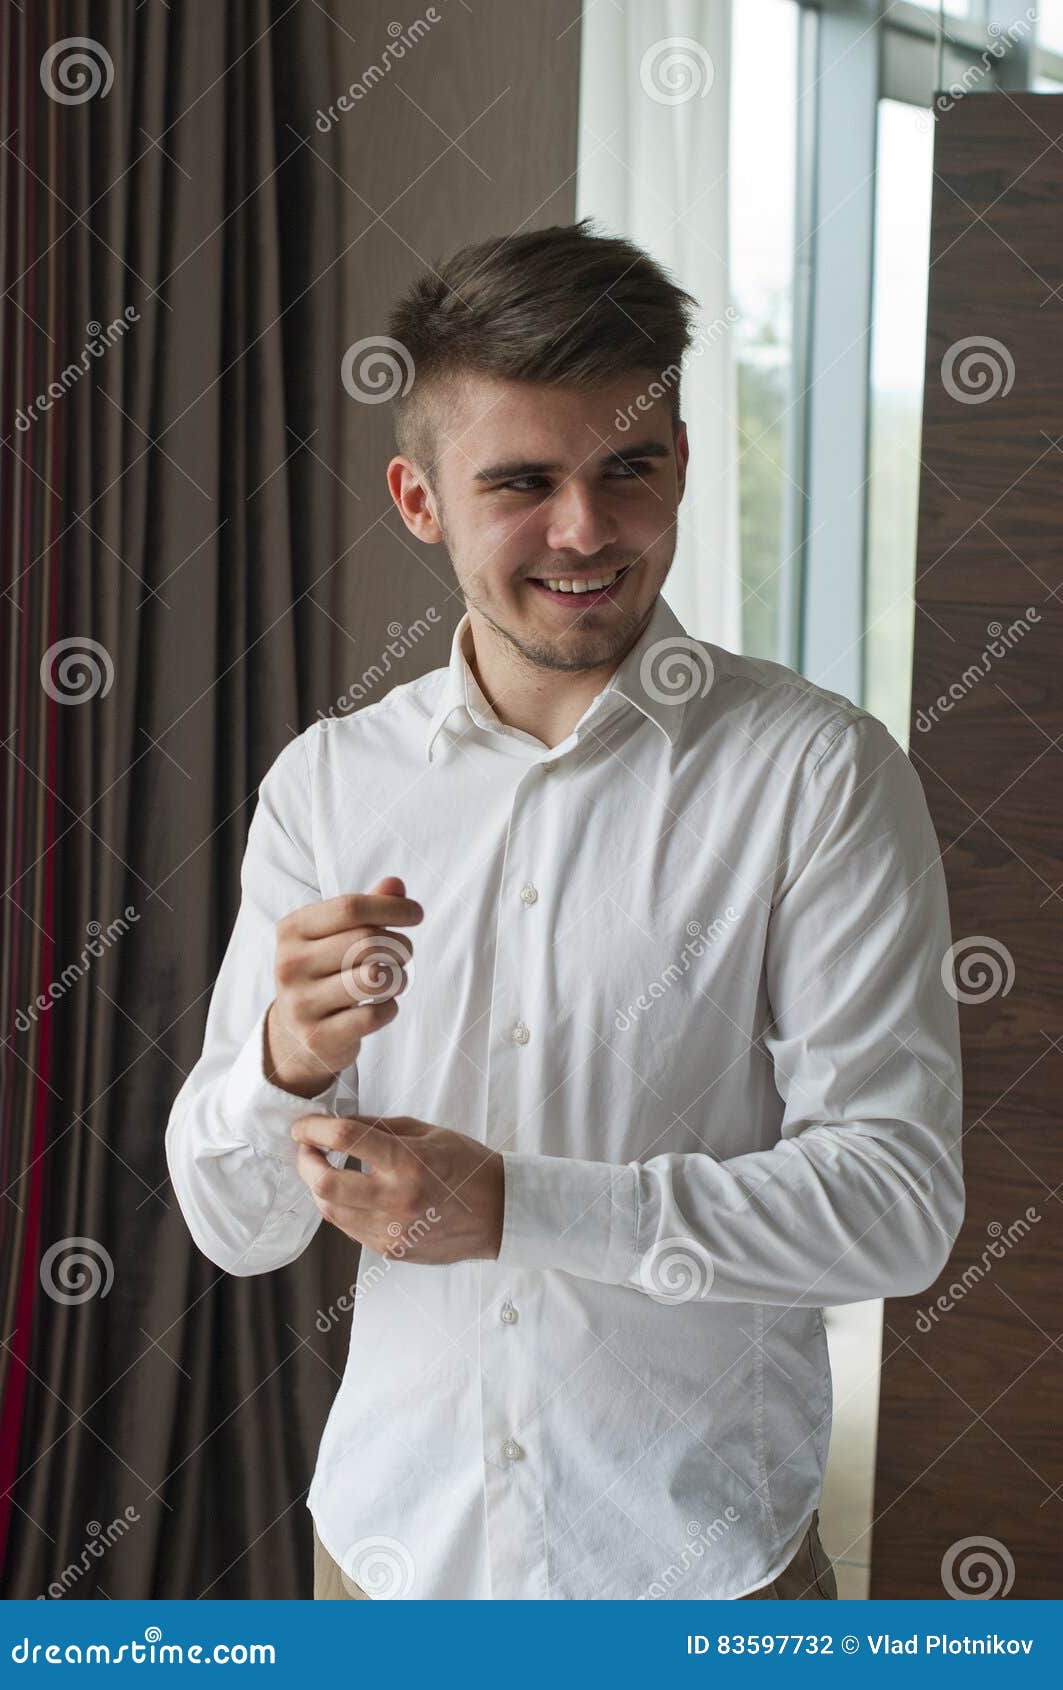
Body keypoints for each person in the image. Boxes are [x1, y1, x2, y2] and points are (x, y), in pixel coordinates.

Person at [165, 219, 964, 1601]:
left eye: (628, 470)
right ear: (421, 501)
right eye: (522, 482)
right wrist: (282, 1065)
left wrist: (522, 1206)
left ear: (683, 466)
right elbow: (239, 1228)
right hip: (389, 1559)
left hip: (698, 1570)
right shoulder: (328, 786)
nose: (586, 530)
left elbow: (896, 1207)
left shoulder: (820, 774)